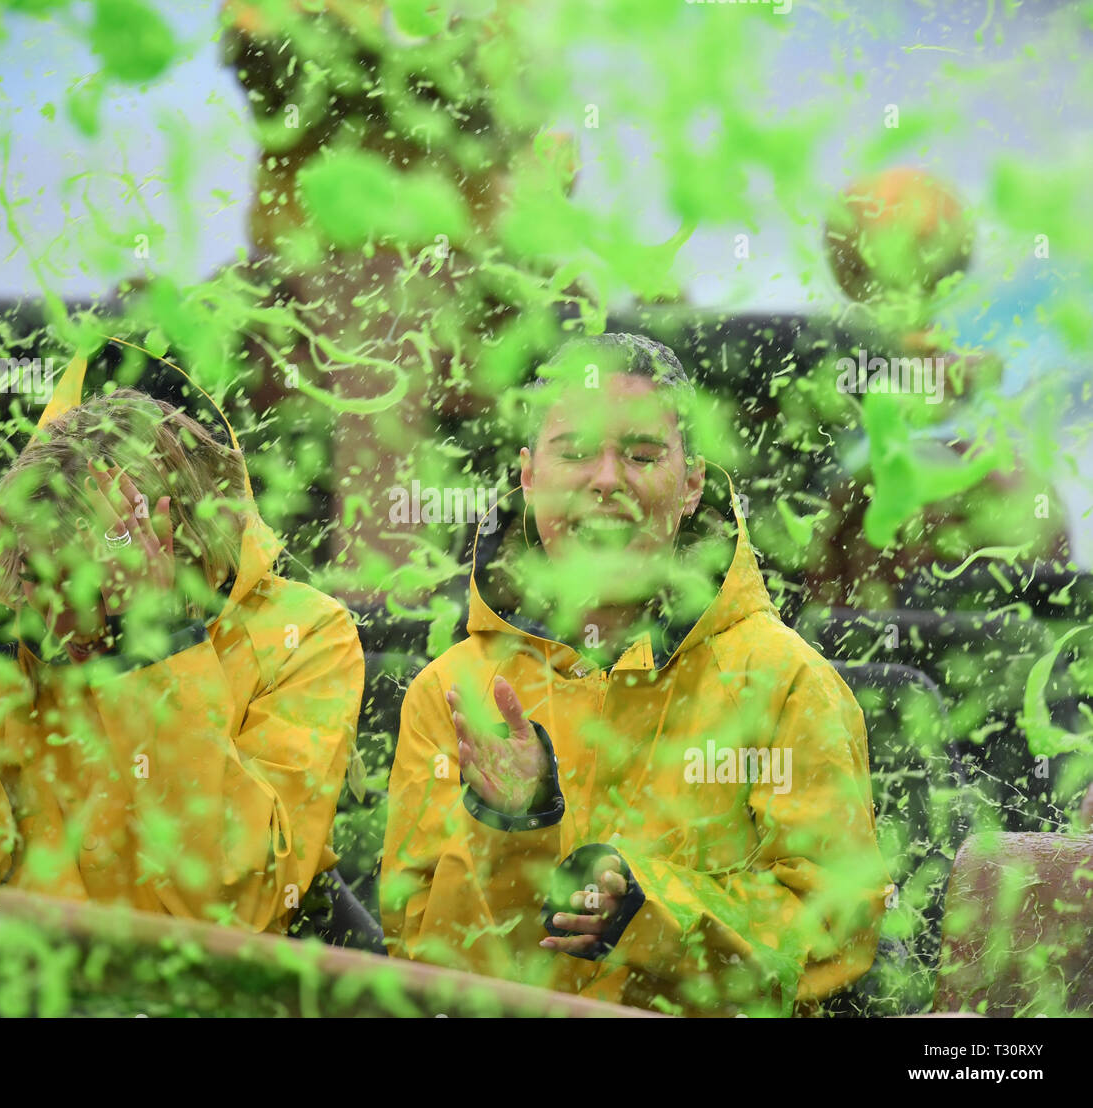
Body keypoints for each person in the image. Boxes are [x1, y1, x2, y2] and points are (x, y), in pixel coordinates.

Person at [381, 333, 893, 1015]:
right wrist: (509, 827)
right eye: (575, 452)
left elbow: (833, 935)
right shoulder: (453, 693)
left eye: (643, 455)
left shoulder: (786, 681)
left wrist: (647, 913)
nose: (606, 481)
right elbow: (424, 963)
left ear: (691, 486)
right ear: (529, 478)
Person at [0, 377, 364, 933]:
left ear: (175, 542)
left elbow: (236, 904)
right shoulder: (7, 629)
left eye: (90, 587)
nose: (60, 622)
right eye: (42, 578)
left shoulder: (307, 634)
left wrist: (154, 644)